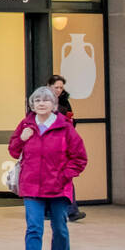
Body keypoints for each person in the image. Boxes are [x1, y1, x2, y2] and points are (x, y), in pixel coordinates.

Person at [9, 86, 87, 250]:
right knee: (34, 227)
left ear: (54, 105)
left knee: (60, 227)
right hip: (32, 187)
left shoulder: (65, 127)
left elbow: (79, 158)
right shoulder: (26, 125)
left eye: (45, 100)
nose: (41, 104)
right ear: (32, 105)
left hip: (57, 187)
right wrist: (22, 138)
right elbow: (13, 150)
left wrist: (65, 175)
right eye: (37, 101)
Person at [48, 74, 85, 221]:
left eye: (61, 88)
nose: (58, 90)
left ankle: (71, 210)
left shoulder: (64, 101)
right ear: (49, 86)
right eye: (56, 87)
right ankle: (54, 209)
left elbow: (70, 122)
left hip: (63, 143)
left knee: (66, 177)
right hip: (50, 145)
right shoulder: (42, 100)